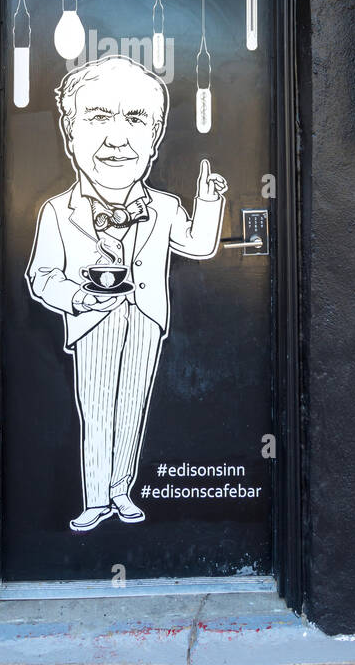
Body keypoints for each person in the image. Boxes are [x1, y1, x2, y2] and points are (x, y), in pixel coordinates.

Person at [26, 55, 227, 531]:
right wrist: (78, 297)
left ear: (155, 140)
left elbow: (199, 245)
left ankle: (122, 489)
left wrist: (210, 200)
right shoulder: (58, 211)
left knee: (131, 408)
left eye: (136, 120)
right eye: (98, 118)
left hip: (145, 318)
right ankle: (95, 497)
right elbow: (41, 276)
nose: (117, 138)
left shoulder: (162, 206)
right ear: (70, 133)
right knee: (96, 413)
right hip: (93, 322)